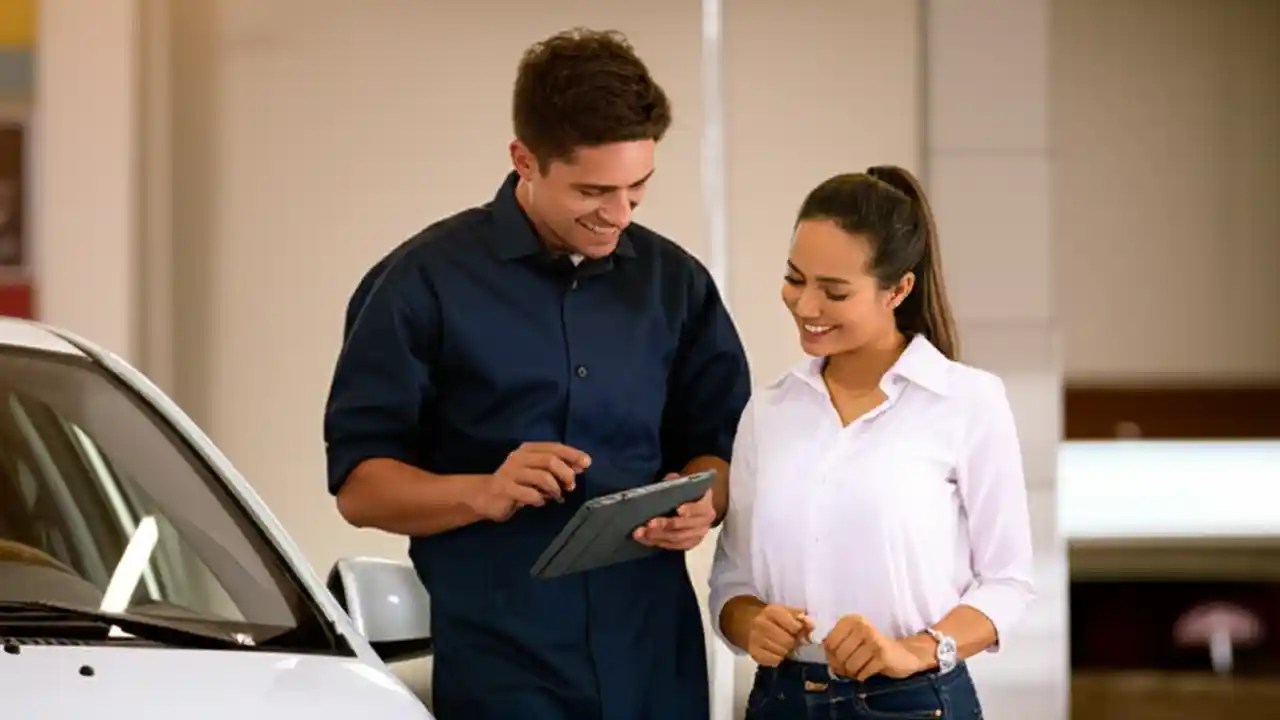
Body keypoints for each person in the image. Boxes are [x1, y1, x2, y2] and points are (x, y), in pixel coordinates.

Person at [323, 28, 751, 720]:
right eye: (592, 190)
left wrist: (704, 502)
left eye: (637, 187)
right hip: (502, 669)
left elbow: (722, 449)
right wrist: (483, 492)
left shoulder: (678, 286)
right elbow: (361, 489)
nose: (618, 214)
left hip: (656, 661)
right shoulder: (418, 286)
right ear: (524, 159)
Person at [708, 166, 1035, 719]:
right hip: (781, 702)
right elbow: (730, 581)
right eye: (794, 278)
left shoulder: (967, 402)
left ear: (898, 289)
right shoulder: (769, 410)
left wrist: (914, 651)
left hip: (913, 703)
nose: (806, 306)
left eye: (834, 291)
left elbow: (1009, 584)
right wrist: (750, 623)